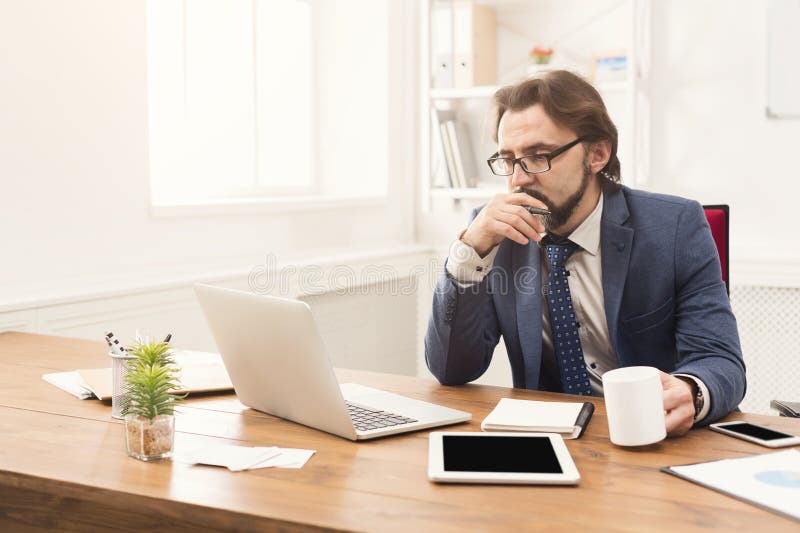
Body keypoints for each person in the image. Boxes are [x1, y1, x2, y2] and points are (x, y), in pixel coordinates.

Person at [425, 70, 745, 437]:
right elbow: (451, 368)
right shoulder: (496, 235)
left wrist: (690, 391)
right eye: (508, 159)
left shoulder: (675, 227)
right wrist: (468, 253)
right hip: (549, 440)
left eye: (539, 156)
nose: (517, 179)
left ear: (597, 154)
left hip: (651, 436)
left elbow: (721, 361)